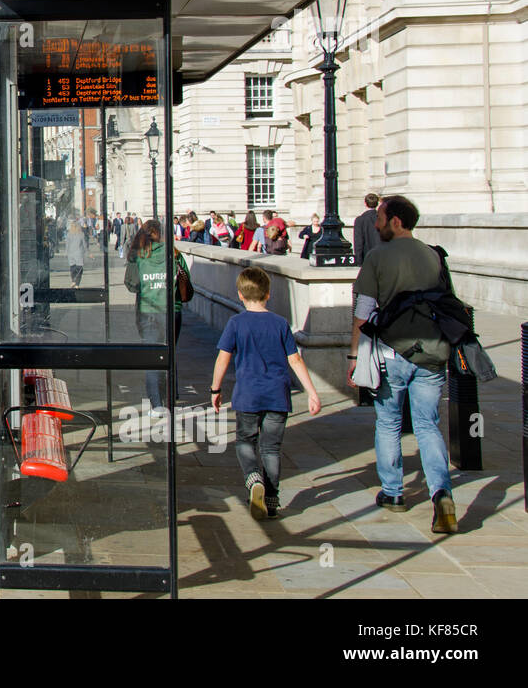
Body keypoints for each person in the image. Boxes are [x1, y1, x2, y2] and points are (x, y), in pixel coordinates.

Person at [347, 195, 458, 533]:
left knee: (389, 422)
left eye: (380, 217)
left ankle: (394, 492)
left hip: (392, 352)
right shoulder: (433, 254)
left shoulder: (378, 256)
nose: (376, 223)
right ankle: (441, 491)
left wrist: (353, 356)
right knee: (428, 425)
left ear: (396, 221)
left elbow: (363, 311)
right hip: (432, 352)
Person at [210, 266, 321, 520]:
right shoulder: (280, 324)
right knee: (271, 448)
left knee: (245, 441)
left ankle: (253, 479)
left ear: (240, 295)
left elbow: (222, 360)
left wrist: (215, 389)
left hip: (248, 394)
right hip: (277, 395)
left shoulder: (236, 323)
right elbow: (295, 361)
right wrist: (312, 392)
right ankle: (271, 498)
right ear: (268, 294)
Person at [125, 219, 188, 413]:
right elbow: (186, 282)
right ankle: (170, 399)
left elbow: (131, 284)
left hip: (148, 311)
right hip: (172, 311)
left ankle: (157, 404)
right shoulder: (174, 254)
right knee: (170, 353)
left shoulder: (139, 255)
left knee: (153, 357)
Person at [353, 193, 382, 263]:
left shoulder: (360, 220)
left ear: (365, 203)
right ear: (377, 203)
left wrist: (358, 260)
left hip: (367, 258)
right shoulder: (382, 218)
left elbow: (358, 242)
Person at [65, 218, 87, 288]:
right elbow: (84, 245)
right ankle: (77, 283)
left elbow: (67, 245)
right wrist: (88, 252)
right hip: (79, 254)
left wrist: (66, 253)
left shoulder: (68, 234)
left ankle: (73, 281)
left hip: (71, 254)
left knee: (72, 268)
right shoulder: (81, 234)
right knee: (80, 269)